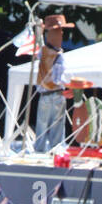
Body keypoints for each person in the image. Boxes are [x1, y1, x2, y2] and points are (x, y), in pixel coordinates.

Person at [33, 14, 73, 152]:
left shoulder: (43, 52)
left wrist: (39, 30)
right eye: (59, 32)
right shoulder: (59, 55)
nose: (61, 34)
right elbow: (58, 78)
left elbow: (39, 44)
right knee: (56, 126)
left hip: (44, 94)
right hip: (57, 94)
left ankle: (40, 152)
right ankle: (55, 152)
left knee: (41, 126)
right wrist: (70, 85)